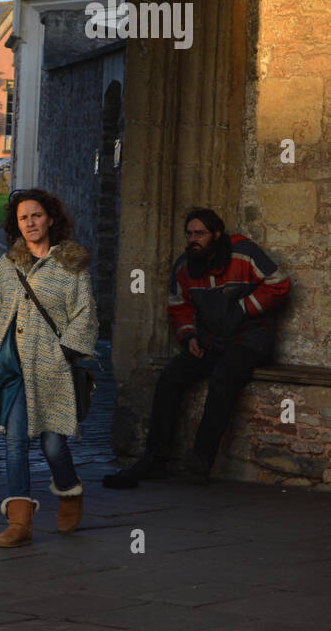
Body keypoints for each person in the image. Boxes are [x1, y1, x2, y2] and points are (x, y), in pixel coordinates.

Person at [103, 207, 290, 488]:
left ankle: (201, 459)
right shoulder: (184, 266)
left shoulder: (244, 252)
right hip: (212, 342)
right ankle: (155, 459)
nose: (193, 239)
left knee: (224, 378)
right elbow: (179, 306)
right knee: (170, 378)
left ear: (216, 234)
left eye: (200, 234)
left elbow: (280, 283)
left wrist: (244, 307)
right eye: (189, 234)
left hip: (249, 340)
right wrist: (189, 337)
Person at [0, 189, 98, 547]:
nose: (30, 223)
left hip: (52, 369)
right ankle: (19, 523)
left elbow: (84, 315)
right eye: (22, 218)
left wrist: (64, 351)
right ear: (16, 225)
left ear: (50, 219)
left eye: (36, 215)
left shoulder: (70, 266)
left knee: (53, 445)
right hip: (13, 369)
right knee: (15, 442)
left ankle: (69, 491)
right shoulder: (7, 264)